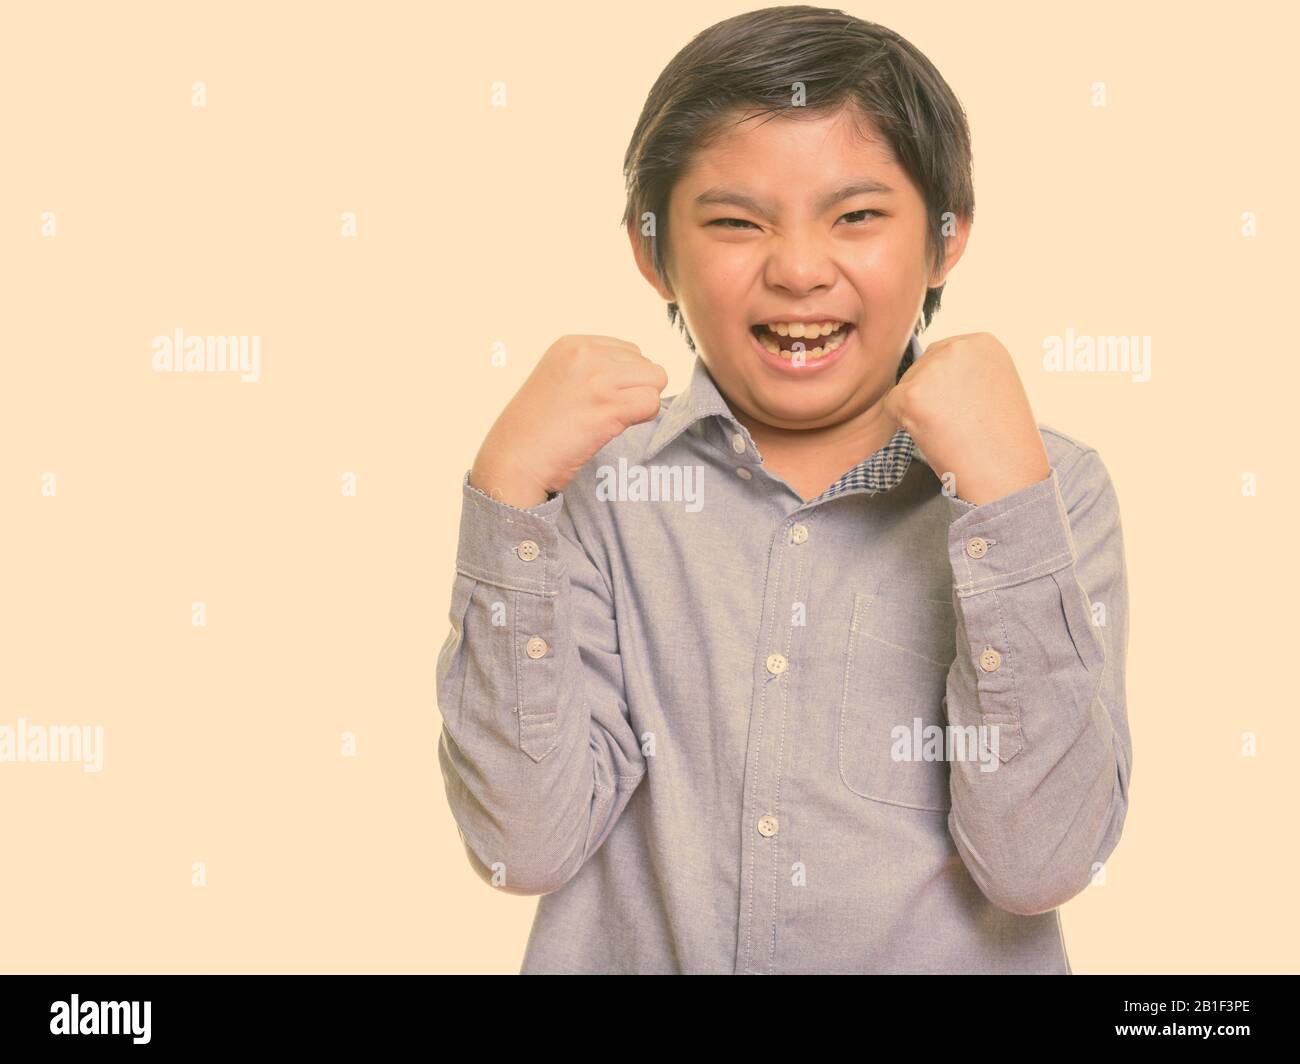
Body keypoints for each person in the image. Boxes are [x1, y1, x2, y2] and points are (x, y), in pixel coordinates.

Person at [436, 5, 1132, 974]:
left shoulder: (1052, 488)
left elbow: (1038, 864)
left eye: (856, 216)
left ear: (943, 239)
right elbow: (524, 846)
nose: (799, 270)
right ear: (651, 254)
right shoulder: (593, 488)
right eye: (733, 222)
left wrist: (1006, 502)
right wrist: (509, 491)